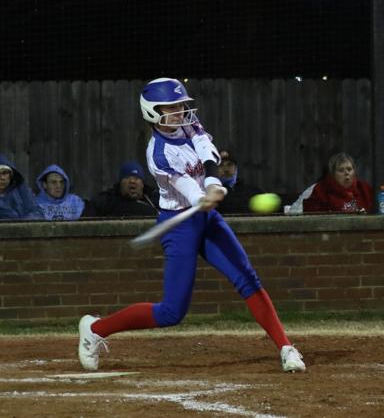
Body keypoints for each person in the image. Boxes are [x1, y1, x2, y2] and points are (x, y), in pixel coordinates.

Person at [77, 78, 305, 373]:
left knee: (247, 278)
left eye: (181, 104)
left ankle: (286, 347)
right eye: (172, 107)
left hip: (205, 217)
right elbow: (184, 184)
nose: (181, 110)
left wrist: (213, 184)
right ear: (153, 111)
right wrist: (202, 196)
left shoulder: (189, 124)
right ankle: (96, 329)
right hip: (178, 224)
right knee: (172, 312)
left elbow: (208, 153)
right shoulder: (158, 153)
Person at [82, 161, 159, 217]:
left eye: (136, 178)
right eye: (127, 178)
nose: (132, 181)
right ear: (120, 183)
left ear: (142, 184)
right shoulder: (107, 200)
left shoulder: (154, 200)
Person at [303, 152, 373, 213]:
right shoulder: (321, 190)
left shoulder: (364, 188)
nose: (346, 173)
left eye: (349, 169)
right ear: (333, 174)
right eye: (341, 170)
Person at [215, 149, 264, 214]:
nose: (226, 169)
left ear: (235, 168)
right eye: (221, 165)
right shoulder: (208, 195)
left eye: (229, 165)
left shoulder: (252, 192)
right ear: (214, 169)